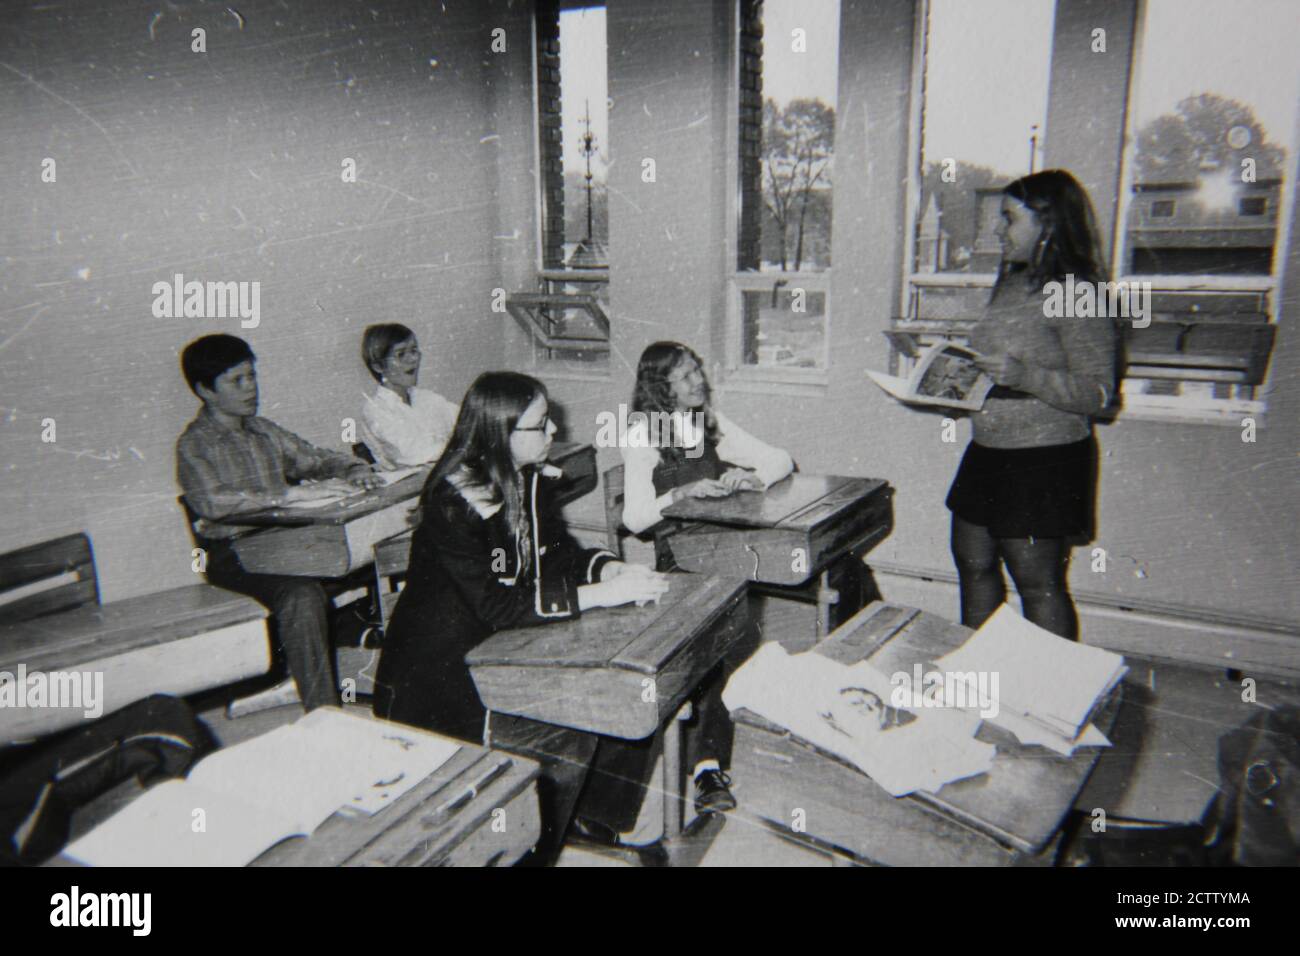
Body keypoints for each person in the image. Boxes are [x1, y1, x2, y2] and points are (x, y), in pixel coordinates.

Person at [372, 371, 672, 856]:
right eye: (540, 424)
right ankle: (534, 846)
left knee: (625, 688)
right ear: (500, 433)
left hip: (503, 643)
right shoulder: (455, 498)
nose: (553, 431)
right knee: (566, 723)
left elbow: (560, 555)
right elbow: (497, 605)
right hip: (443, 675)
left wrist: (610, 568)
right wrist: (597, 597)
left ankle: (595, 818)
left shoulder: (526, 479)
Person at [620, 341, 795, 815]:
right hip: (679, 559)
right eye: (684, 374)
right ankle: (706, 766)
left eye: (697, 368)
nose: (698, 379)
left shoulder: (707, 420)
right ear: (660, 387)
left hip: (724, 550)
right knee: (712, 649)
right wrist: (683, 490)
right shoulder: (642, 433)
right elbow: (635, 518)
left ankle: (705, 753)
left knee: (729, 642)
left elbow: (779, 457)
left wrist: (752, 478)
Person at [948, 169, 1118, 640]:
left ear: (1049, 223)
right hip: (989, 450)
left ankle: (1050, 703)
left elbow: (1100, 395)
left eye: (1008, 219)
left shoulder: (1078, 293)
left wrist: (1024, 375)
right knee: (972, 562)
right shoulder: (1010, 283)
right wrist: (953, 390)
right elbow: (996, 370)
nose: (997, 230)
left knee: (1037, 583)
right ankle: (980, 679)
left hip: (1044, 459)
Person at [176, 334, 384, 710]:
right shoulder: (194, 445)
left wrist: (354, 469)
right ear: (205, 390)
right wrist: (285, 496)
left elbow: (315, 458)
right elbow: (210, 501)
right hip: (232, 555)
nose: (250, 387)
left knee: (376, 552)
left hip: (279, 545)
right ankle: (322, 710)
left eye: (251, 376)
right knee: (302, 595)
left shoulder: (262, 430)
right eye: (236, 381)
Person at [358, 323, 459, 470]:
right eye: (400, 354)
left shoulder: (426, 398)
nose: (413, 359)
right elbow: (417, 455)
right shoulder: (375, 410)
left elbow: (466, 420)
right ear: (378, 367)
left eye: (414, 350)